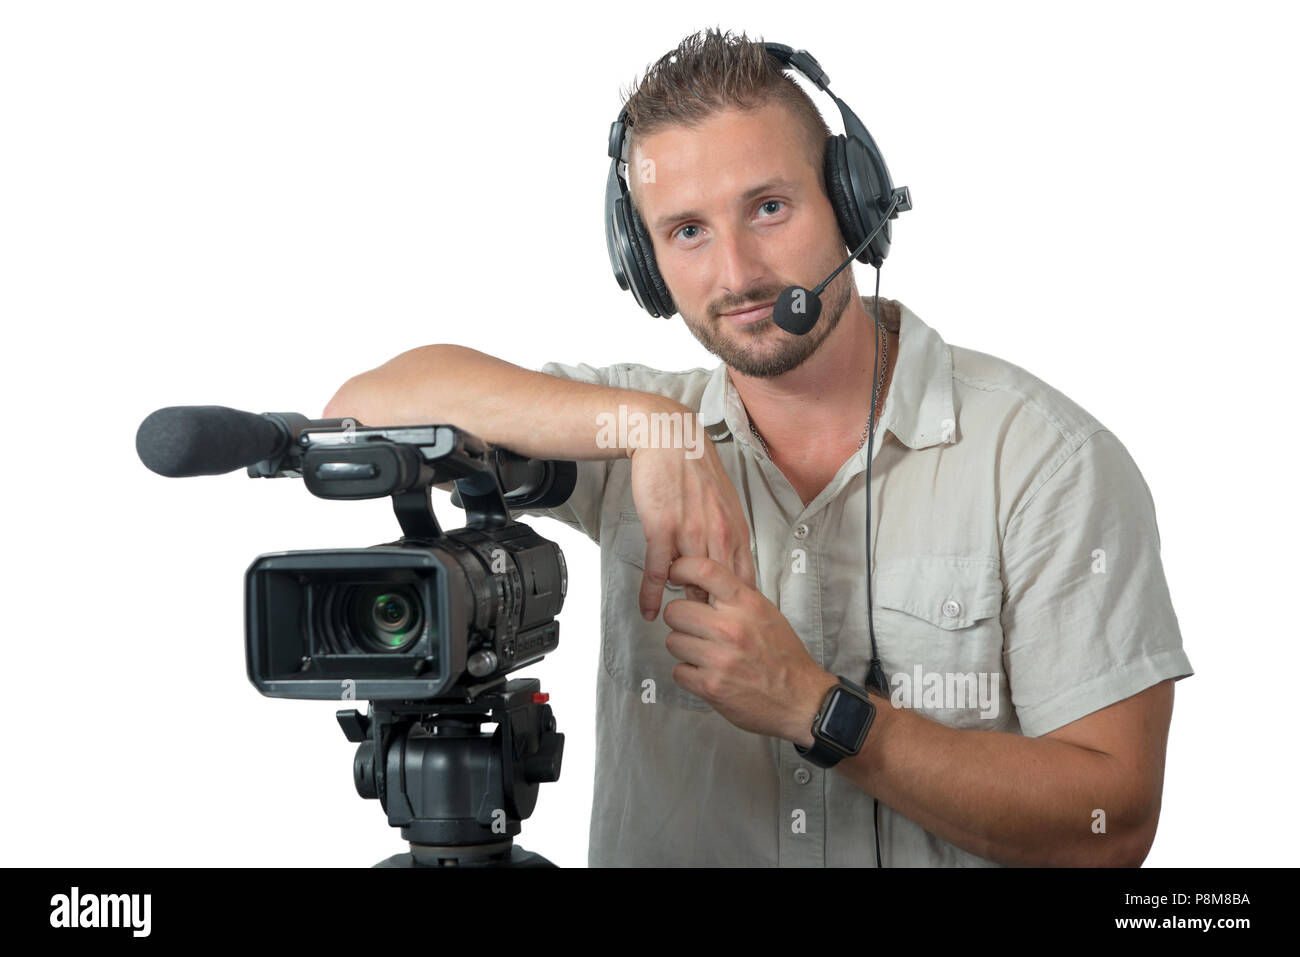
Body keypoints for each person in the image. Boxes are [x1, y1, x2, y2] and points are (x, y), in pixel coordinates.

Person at [323, 28, 1193, 867]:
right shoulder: (626, 427)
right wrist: (647, 427)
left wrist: (816, 707)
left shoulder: (1046, 461)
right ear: (642, 259)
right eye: (687, 232)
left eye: (768, 208)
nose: (734, 274)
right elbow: (361, 404)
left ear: (855, 204)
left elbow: (1109, 821)